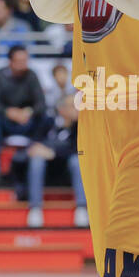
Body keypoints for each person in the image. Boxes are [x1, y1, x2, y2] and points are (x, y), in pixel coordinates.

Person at [21, 94, 85, 229]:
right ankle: (35, 208)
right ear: (61, 109)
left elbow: (79, 149)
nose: (78, 110)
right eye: (73, 106)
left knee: (77, 160)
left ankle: (82, 208)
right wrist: (43, 151)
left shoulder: (81, 126)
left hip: (67, 169)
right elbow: (34, 143)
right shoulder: (47, 121)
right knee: (36, 160)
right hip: (46, 168)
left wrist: (53, 153)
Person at [0, 45, 47, 141]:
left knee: (45, 118)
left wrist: (29, 112)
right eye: (19, 61)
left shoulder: (32, 75)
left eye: (25, 60)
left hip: (27, 118)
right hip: (5, 118)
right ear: (10, 61)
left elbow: (41, 103)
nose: (23, 64)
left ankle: (37, 148)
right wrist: (8, 112)